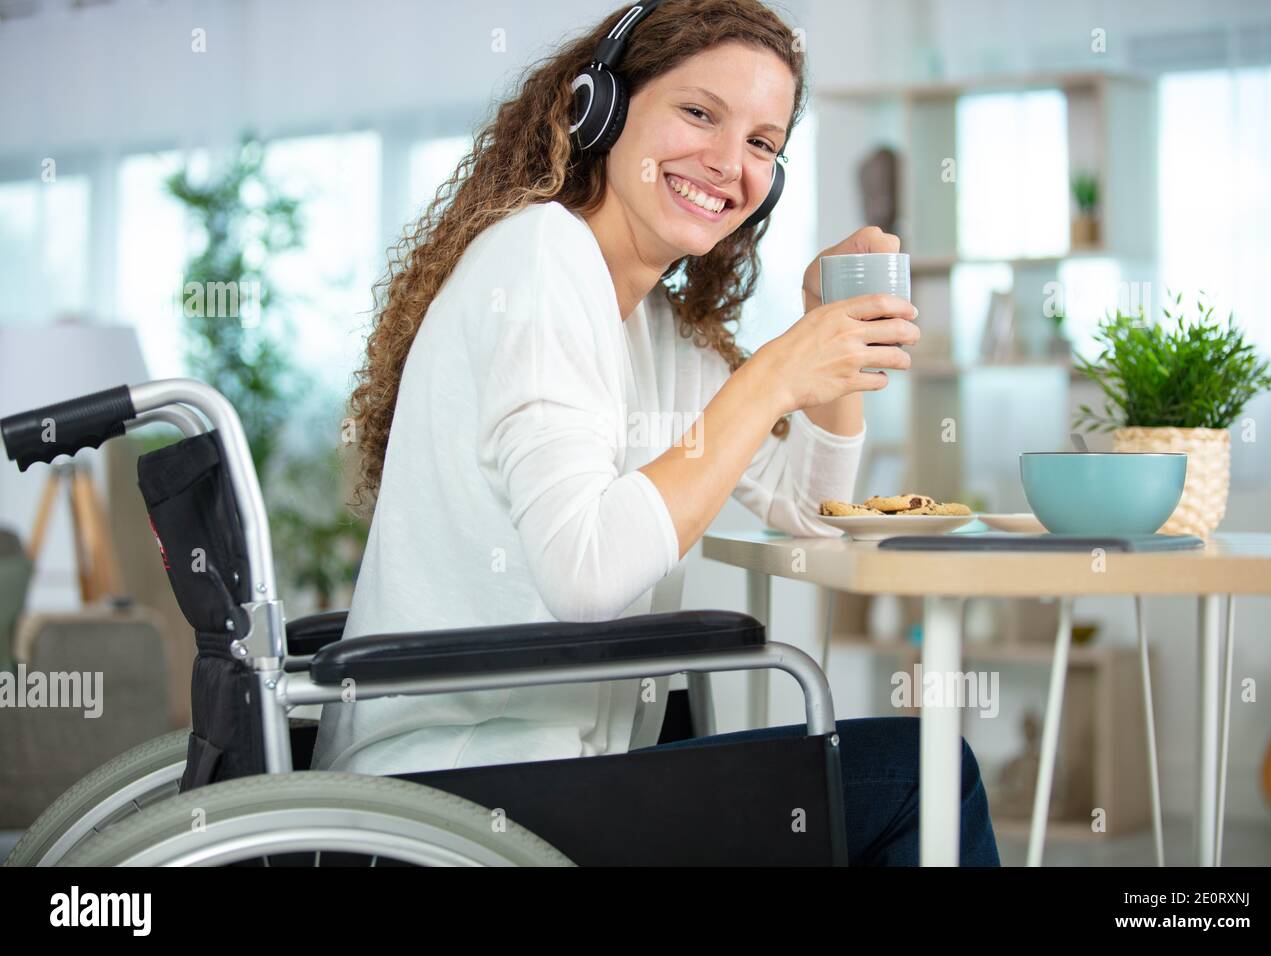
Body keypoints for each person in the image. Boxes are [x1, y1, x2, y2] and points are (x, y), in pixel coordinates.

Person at [311, 0, 999, 866]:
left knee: (910, 774)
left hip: (557, 772)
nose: (729, 163)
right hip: (452, 794)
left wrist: (833, 335)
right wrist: (774, 373)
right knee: (923, 777)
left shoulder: (653, 324)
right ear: (599, 109)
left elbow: (813, 506)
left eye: (762, 144)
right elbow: (587, 575)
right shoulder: (538, 260)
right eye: (699, 113)